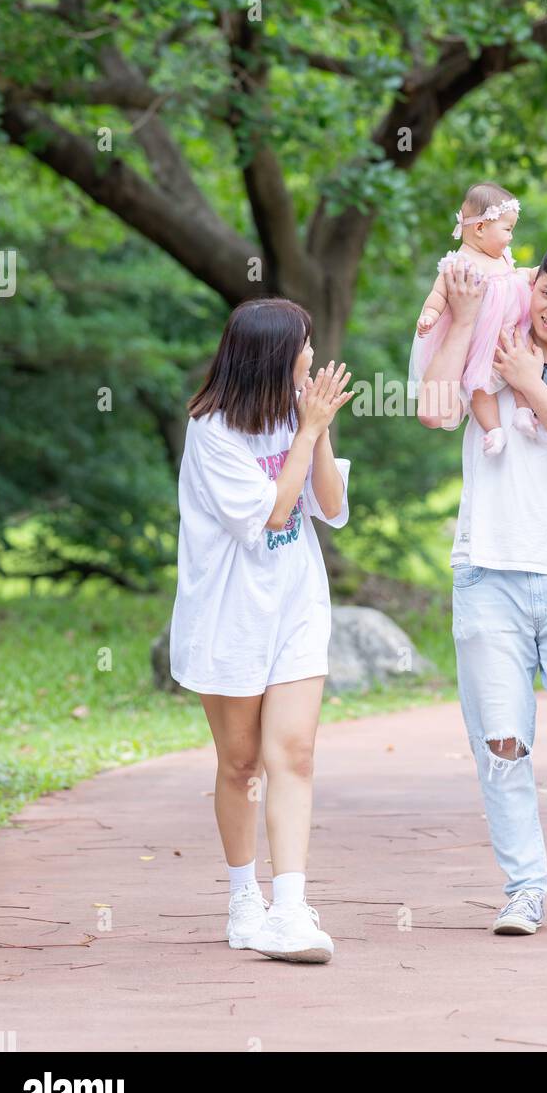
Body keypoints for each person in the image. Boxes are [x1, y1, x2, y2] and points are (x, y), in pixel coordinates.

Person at [413, 239, 547, 934]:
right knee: (501, 741)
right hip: (487, 572)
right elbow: (436, 410)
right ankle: (525, 887)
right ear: (532, 282)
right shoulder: (487, 331)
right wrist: (468, 314)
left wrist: (530, 382)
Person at [169, 298, 354, 964]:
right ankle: (244, 896)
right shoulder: (213, 431)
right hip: (229, 619)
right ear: (275, 355)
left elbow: (328, 507)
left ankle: (291, 907)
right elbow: (273, 519)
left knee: (295, 754)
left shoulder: (297, 416)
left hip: (297, 607)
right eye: (304, 344)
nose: (312, 354)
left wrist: (319, 429)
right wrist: (305, 433)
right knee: (242, 764)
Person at [409, 181, 540, 456]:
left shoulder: (503, 256)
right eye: (507, 230)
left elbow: (515, 277)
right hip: (481, 345)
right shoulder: (459, 264)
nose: (511, 237)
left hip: (508, 333)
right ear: (480, 228)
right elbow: (437, 295)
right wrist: (429, 316)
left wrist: (534, 273)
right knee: (480, 388)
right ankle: (494, 430)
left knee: (523, 367)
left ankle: (524, 411)